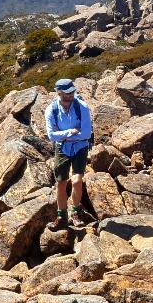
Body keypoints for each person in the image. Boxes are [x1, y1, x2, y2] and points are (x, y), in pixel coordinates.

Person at [45, 78, 96, 230]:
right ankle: (61, 216)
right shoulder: (51, 110)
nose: (71, 94)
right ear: (58, 92)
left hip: (80, 147)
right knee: (61, 183)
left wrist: (65, 135)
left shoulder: (82, 107)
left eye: (73, 91)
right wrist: (71, 132)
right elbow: (51, 136)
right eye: (67, 93)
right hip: (62, 148)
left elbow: (86, 133)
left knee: (76, 180)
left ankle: (75, 212)